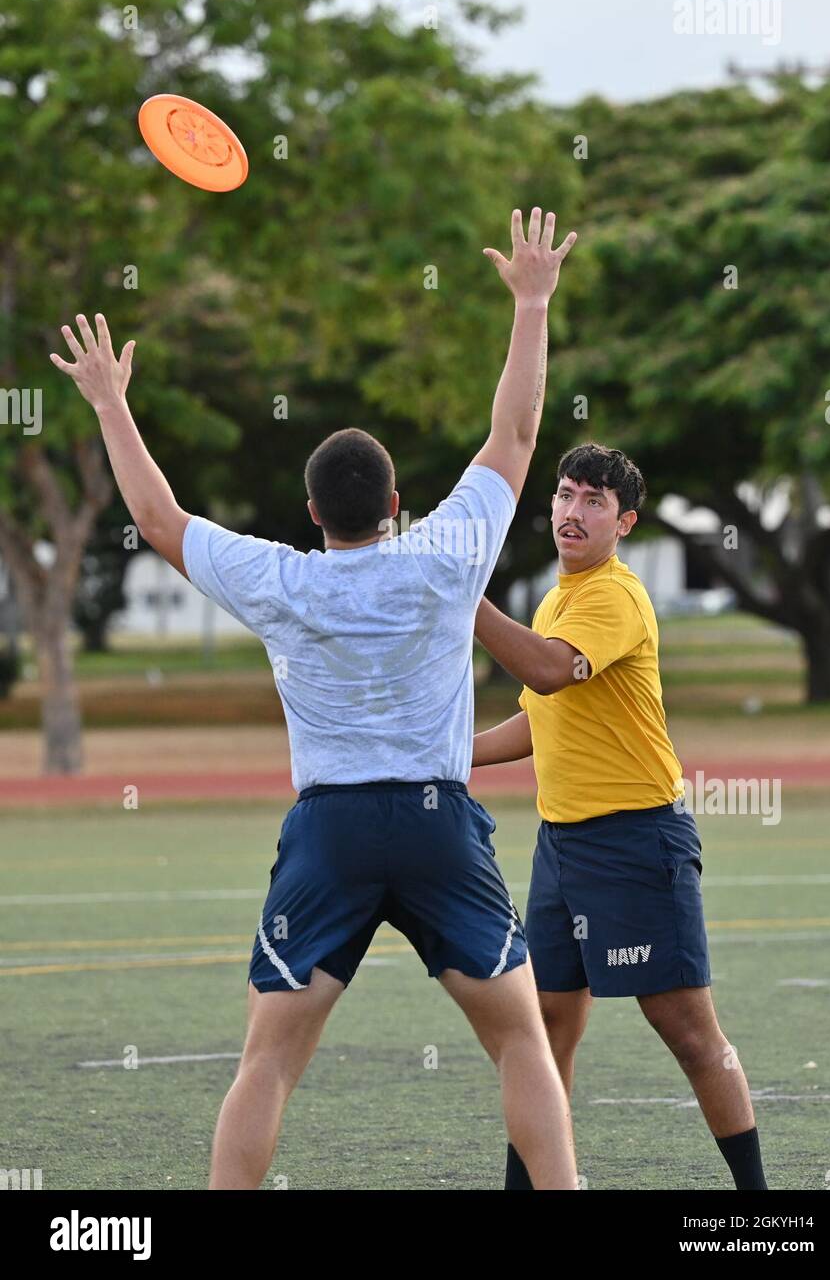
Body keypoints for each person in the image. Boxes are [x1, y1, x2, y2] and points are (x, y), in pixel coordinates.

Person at [52, 207, 580, 1191]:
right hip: (437, 822)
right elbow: (515, 429)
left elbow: (158, 518)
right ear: (393, 507)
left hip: (330, 828)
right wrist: (533, 301)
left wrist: (109, 402)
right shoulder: (446, 552)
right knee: (520, 1042)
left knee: (269, 1060)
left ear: (311, 513)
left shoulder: (281, 580)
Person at [472, 442, 768, 1191]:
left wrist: (461, 598)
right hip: (562, 848)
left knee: (689, 1034)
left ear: (624, 521)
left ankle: (761, 1210)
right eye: (566, 494)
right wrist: (446, 753)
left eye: (593, 502)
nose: (573, 512)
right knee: (544, 1036)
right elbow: (541, 718)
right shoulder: (556, 600)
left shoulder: (615, 596)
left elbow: (543, 666)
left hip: (636, 841)